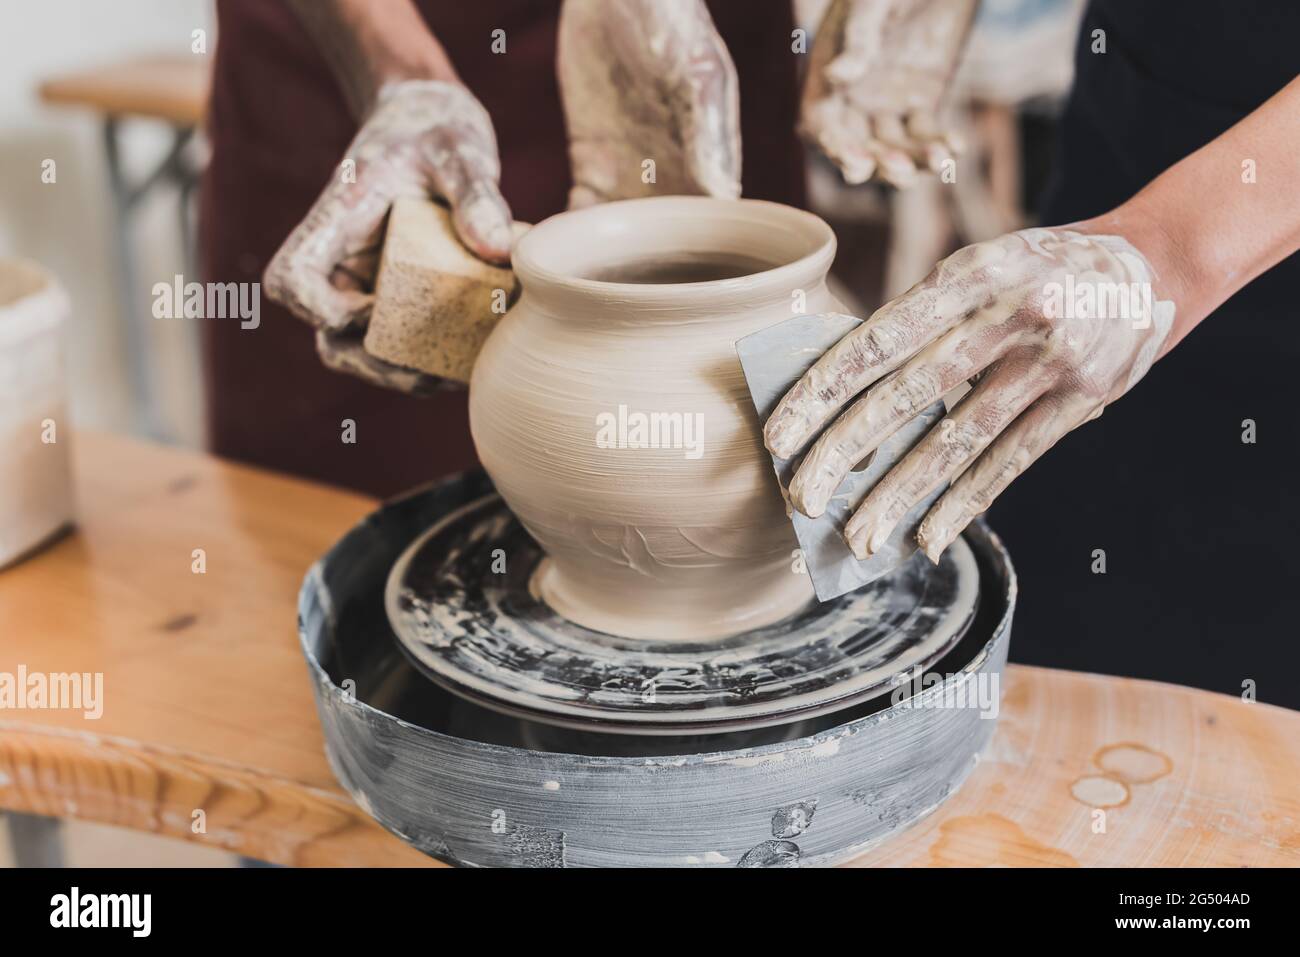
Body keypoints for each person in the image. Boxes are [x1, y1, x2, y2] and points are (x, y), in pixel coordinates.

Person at [211, 0, 1299, 704]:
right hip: (385, 59)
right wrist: (392, 65)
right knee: (346, 673)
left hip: (1235, 150)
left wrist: (1167, 248)